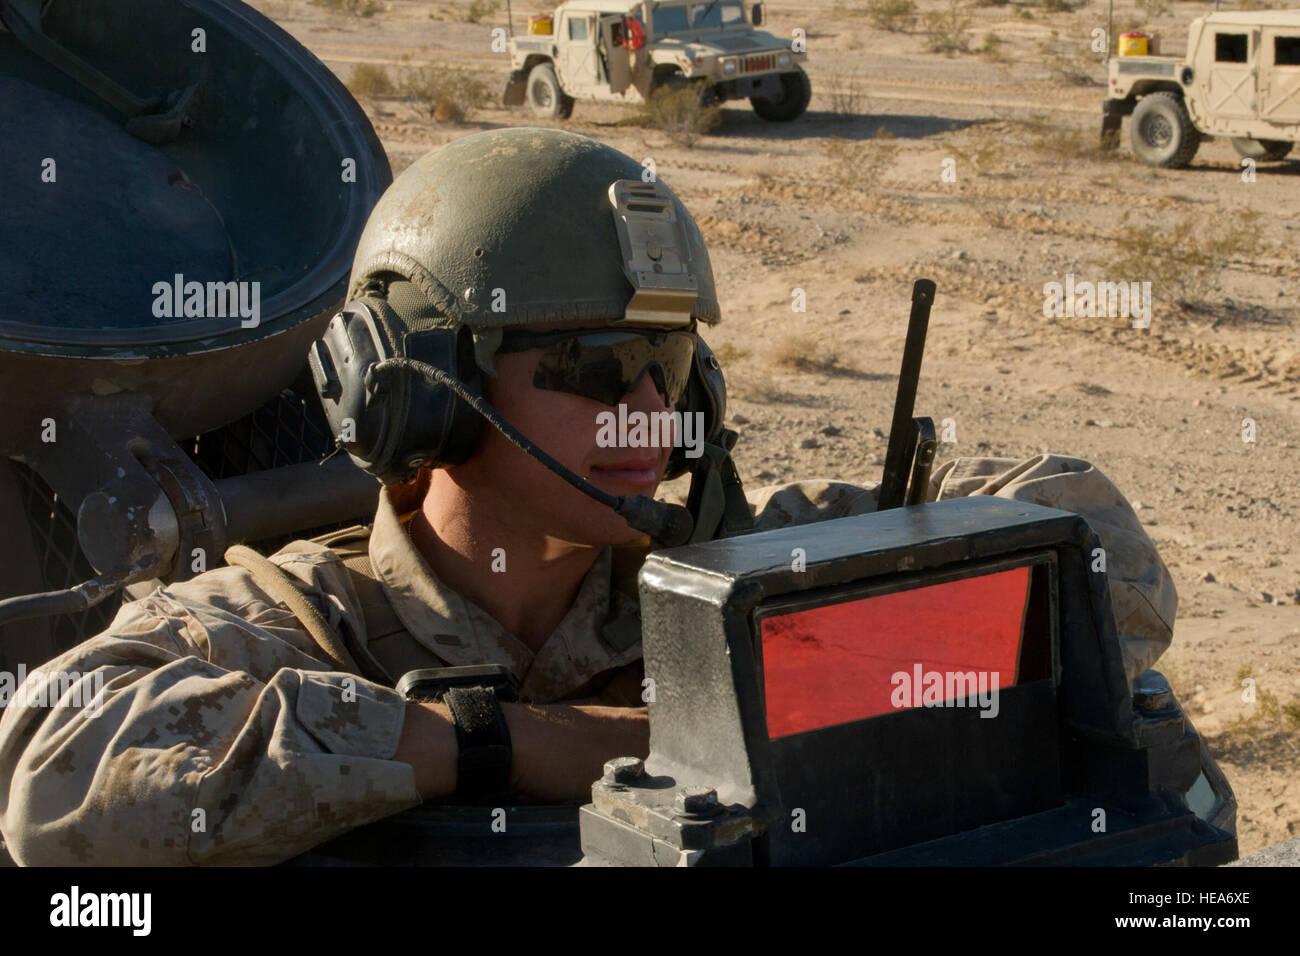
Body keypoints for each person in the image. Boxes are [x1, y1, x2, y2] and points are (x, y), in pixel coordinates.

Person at [0, 128, 1176, 866]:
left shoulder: (736, 561)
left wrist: (817, 681)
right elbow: (51, 771)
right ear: (424, 391)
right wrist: (510, 744)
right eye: (595, 365)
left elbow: (1099, 561)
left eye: (675, 367)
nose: (652, 409)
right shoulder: (302, 615)